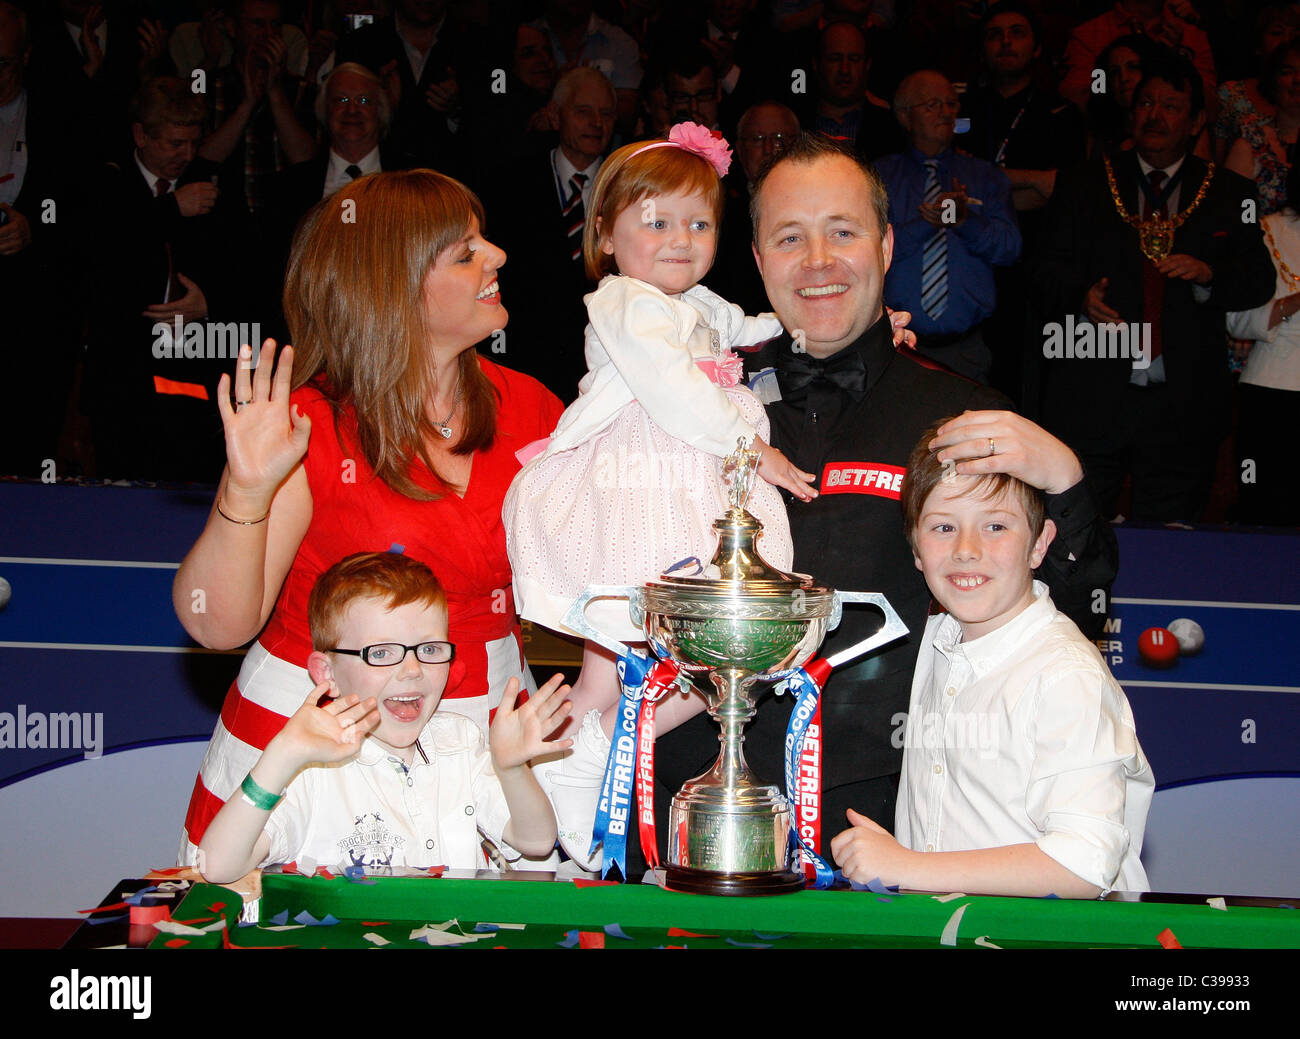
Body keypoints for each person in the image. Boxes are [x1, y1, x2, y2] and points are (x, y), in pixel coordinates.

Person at [649, 133, 1118, 871]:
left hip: (879, 827)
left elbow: (1075, 607)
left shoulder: (962, 418)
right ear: (758, 257)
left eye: (843, 232)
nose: (819, 261)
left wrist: (1066, 480)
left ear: (888, 244)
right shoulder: (681, 400)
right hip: (685, 805)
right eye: (790, 237)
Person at [174, 170, 564, 862]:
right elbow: (216, 623)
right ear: (394, 286)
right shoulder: (309, 422)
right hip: (318, 744)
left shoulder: (534, 408)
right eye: (466, 251)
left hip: (488, 745)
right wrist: (245, 491)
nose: (497, 255)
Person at [504, 122, 813, 741]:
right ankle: (597, 753)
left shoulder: (697, 301)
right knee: (625, 653)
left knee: (701, 646)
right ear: (606, 236)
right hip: (643, 478)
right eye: (657, 223)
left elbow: (752, 326)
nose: (681, 240)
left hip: (690, 481)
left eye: (699, 225)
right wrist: (755, 450)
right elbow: (675, 392)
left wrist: (815, 321)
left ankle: (616, 742)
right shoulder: (623, 301)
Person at [831, 422, 1153, 897]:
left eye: (996, 526)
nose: (966, 550)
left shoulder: (1065, 674)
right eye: (943, 527)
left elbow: (1084, 865)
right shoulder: (935, 641)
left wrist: (908, 867)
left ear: (1041, 543)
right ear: (916, 548)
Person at [197, 551, 574, 883]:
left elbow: (537, 842)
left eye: (429, 648)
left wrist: (511, 770)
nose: (412, 669)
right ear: (327, 673)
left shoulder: (460, 741)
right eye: (381, 653)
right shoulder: (308, 769)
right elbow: (217, 867)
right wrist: (279, 758)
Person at [1035, 56, 1274, 523]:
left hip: (1183, 398)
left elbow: (1258, 281)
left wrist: (1209, 275)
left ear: (1197, 120)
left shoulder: (1229, 193)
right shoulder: (1085, 182)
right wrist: (1081, 298)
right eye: (1146, 103)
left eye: (1171, 105)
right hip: (1094, 389)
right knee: (1078, 537)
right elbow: (1041, 270)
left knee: (1174, 541)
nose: (1155, 115)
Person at [876, 70, 1022, 384]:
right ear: (905, 116)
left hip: (966, 351)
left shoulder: (985, 176)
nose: (945, 113)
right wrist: (928, 223)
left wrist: (966, 221)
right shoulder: (879, 177)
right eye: (931, 105)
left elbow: (1010, 249)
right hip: (893, 346)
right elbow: (867, 253)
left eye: (951, 105)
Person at [1226, 160, 1300, 526]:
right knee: (1266, 514)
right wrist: (1295, 301)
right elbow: (1237, 318)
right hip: (1275, 391)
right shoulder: (1268, 231)